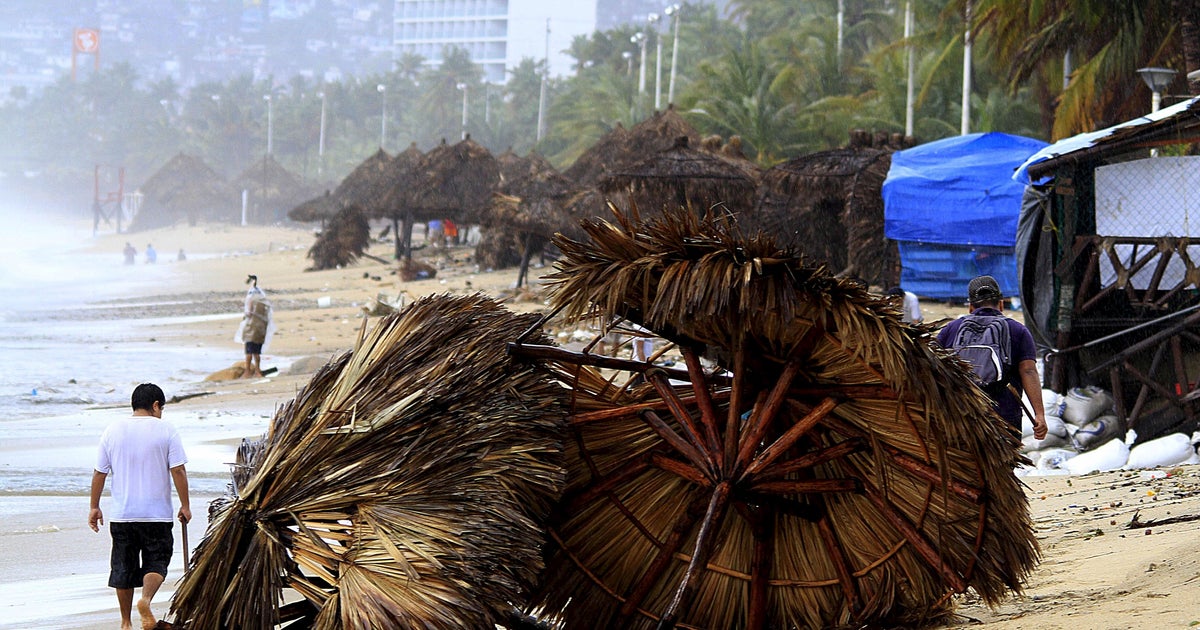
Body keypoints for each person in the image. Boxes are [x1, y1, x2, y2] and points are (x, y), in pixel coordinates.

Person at [89, 383, 190, 630]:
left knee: (123, 568)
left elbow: (99, 472)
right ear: (156, 405)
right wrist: (185, 505)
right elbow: (177, 469)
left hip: (123, 514)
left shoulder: (112, 429)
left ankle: (125, 623)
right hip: (157, 515)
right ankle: (145, 600)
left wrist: (94, 506)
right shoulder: (166, 429)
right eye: (161, 408)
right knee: (157, 562)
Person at [937, 275, 1047, 440]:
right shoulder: (1017, 330)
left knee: (965, 463)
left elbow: (933, 368)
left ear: (971, 307)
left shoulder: (951, 329)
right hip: (1004, 416)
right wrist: (1039, 415)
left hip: (962, 414)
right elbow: (1029, 371)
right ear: (1001, 304)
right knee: (1002, 463)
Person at [236, 274, 274, 378]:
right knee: (257, 352)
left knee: (249, 351)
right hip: (261, 329)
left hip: (250, 328)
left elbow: (248, 313)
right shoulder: (263, 300)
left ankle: (247, 371)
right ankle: (258, 371)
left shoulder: (251, 299)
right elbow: (268, 316)